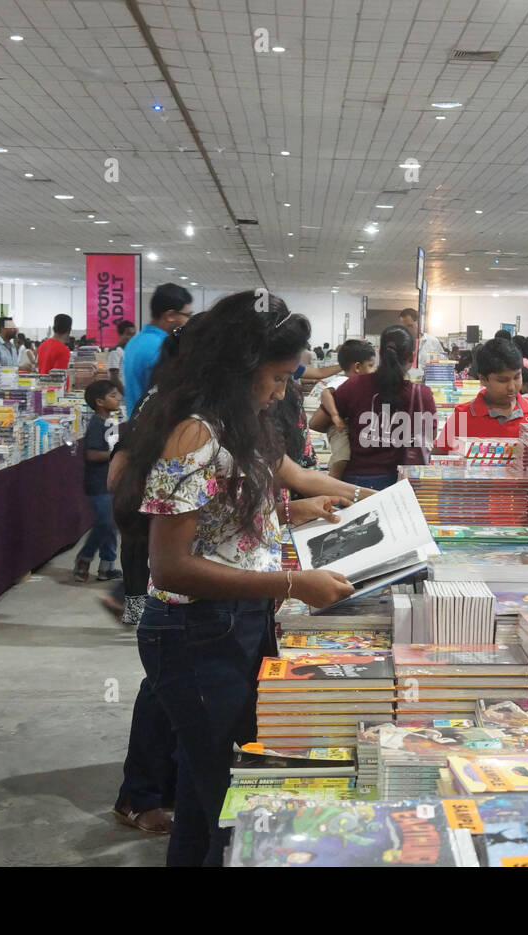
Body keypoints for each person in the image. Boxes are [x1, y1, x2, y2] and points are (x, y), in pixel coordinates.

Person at [113, 291, 360, 867]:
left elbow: (241, 512)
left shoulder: (238, 422)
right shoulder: (193, 434)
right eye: (276, 376)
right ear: (239, 367)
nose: (281, 390)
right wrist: (296, 585)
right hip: (195, 631)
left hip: (235, 623)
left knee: (213, 796)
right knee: (224, 795)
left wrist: (316, 508)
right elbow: (169, 566)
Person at [332, 325, 436, 490]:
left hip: (355, 483)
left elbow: (317, 423)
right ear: (412, 356)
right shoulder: (421, 395)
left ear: (380, 353)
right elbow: (428, 440)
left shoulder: (353, 385)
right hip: (401, 483)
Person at [433, 338, 528, 452]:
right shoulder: (462, 417)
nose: (512, 387)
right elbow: (439, 458)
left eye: (517, 377)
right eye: (502, 380)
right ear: (483, 379)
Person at [75, 381, 123, 583]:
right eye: (113, 395)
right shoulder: (96, 424)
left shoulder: (110, 423)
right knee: (105, 522)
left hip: (111, 481)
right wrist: (117, 454)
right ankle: (84, 558)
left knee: (111, 524)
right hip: (98, 483)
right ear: (100, 402)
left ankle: (107, 566)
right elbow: (93, 454)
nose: (118, 398)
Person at [308, 338, 377, 479]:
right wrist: (334, 415)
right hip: (338, 426)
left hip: (345, 425)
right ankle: (332, 482)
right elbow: (325, 393)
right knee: (342, 457)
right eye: (370, 365)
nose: (373, 370)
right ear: (357, 367)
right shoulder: (343, 381)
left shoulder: (360, 385)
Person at [123, 284, 194, 415]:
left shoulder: (136, 341)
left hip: (135, 423)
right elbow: (168, 397)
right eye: (188, 315)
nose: (189, 321)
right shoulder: (161, 347)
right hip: (153, 426)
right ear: (170, 315)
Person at [107, 320, 135, 391]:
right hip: (120, 394)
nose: (132, 337)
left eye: (134, 334)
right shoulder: (115, 351)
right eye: (128, 334)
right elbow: (114, 378)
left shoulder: (130, 351)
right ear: (120, 334)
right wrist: (126, 394)